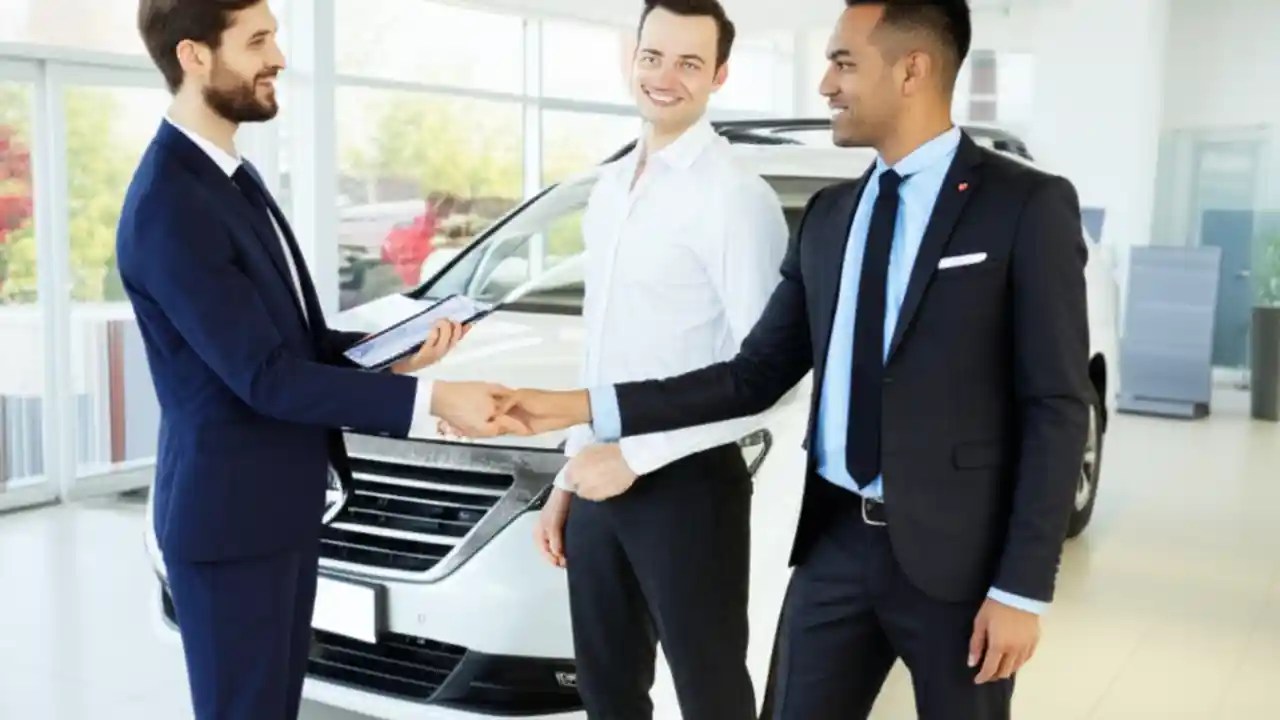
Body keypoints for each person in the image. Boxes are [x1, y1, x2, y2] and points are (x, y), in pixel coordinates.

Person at [497, 1, 1093, 718]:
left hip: (958, 558)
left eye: (843, 63)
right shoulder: (830, 216)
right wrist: (582, 411)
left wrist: (1021, 587)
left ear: (912, 70)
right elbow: (751, 376)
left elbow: (1056, 405)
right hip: (835, 544)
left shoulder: (1024, 204)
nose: (825, 85)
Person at [121, 2, 513, 718]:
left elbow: (287, 344)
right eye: (258, 41)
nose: (278, 56)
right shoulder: (171, 203)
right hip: (231, 527)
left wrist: (387, 355)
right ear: (194, 56)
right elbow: (264, 378)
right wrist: (434, 402)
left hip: (277, 513)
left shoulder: (227, 178)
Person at [535, 1, 786, 717]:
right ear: (632, 58)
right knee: (606, 691)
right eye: (652, 57)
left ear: (720, 75)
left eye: (689, 63)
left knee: (710, 692)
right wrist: (569, 472)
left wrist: (637, 458)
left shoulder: (736, 197)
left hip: (686, 482)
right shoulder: (611, 186)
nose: (664, 77)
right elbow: (600, 346)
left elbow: (766, 375)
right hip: (597, 472)